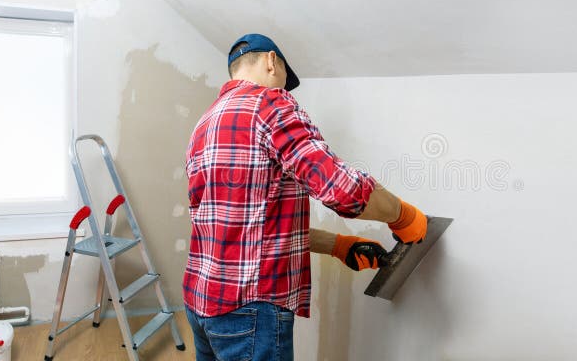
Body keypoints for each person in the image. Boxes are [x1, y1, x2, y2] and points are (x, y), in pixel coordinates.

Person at [183, 33, 428, 361]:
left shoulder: (204, 124)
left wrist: (338, 245)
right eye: (285, 78)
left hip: (200, 303)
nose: (284, 88)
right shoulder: (270, 103)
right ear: (272, 61)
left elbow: (248, 224)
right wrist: (402, 215)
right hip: (249, 311)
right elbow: (341, 189)